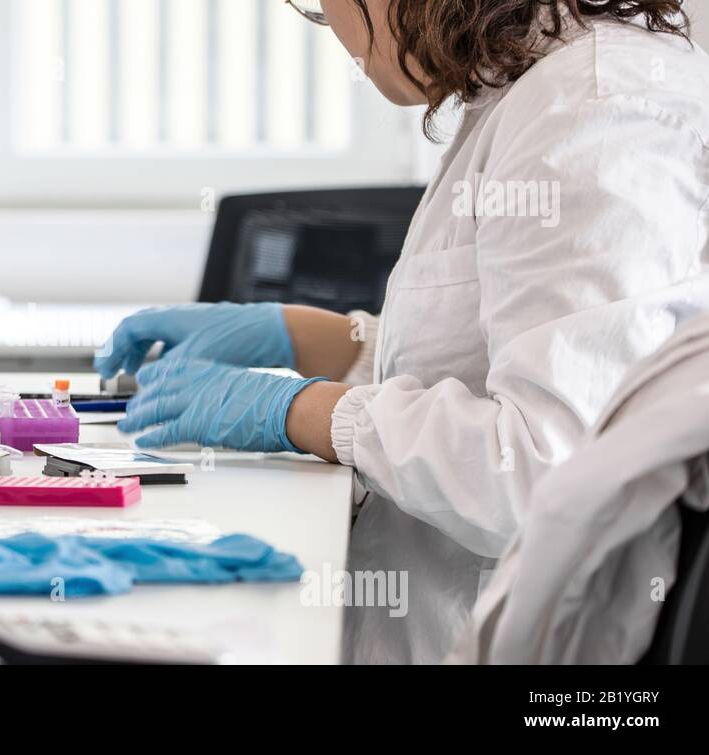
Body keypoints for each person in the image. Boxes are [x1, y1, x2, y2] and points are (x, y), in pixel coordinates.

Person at [96, 0, 709, 663]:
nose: (328, 19)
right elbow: (485, 352)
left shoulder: (594, 108)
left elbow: (544, 468)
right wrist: (304, 336)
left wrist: (301, 411)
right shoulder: (537, 81)